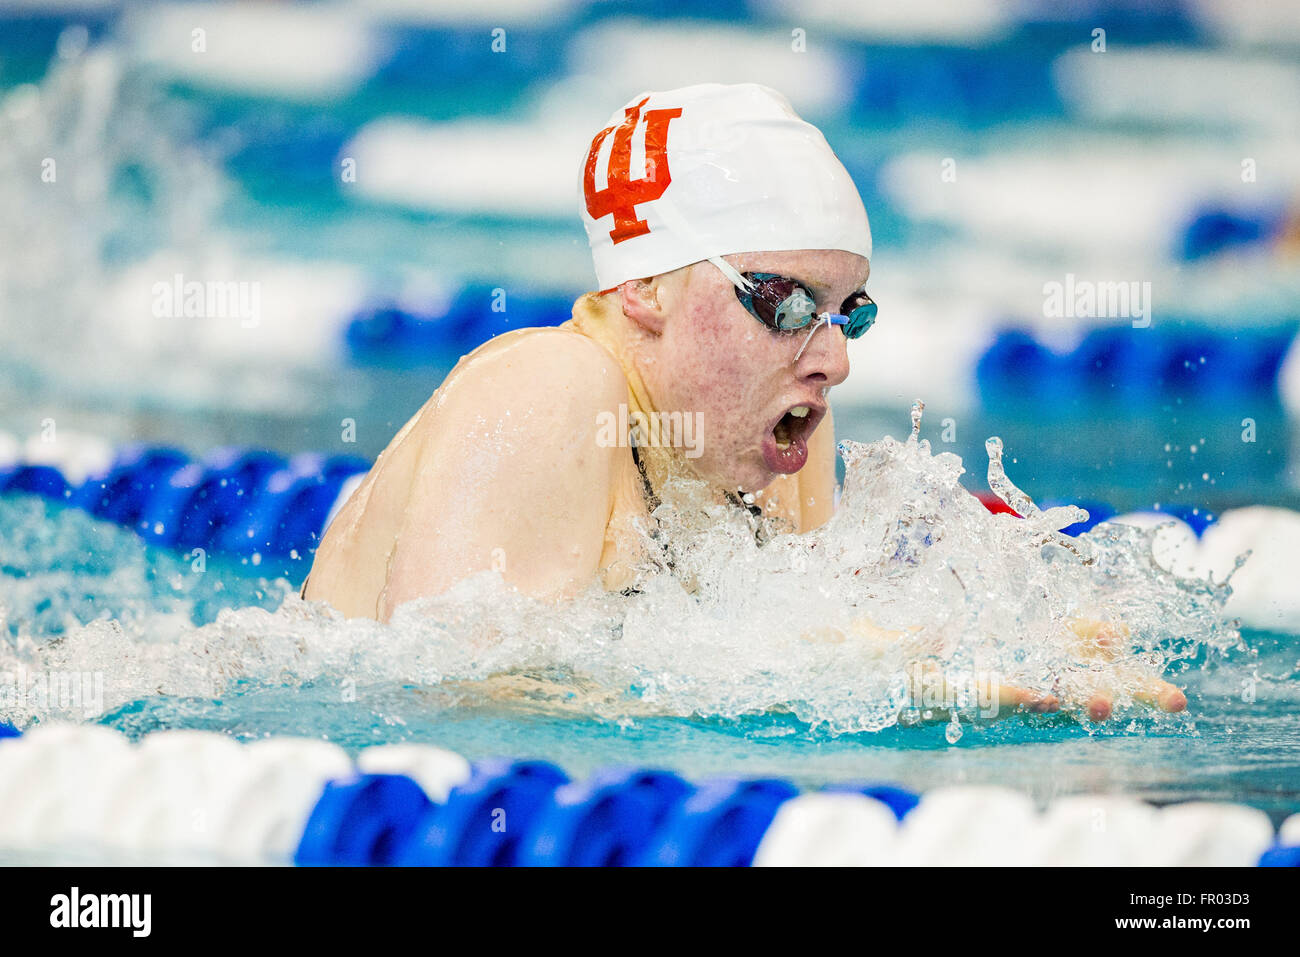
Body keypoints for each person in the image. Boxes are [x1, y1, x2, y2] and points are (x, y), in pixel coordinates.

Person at [303, 82, 1185, 722]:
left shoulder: (775, 440)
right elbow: (445, 699)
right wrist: (899, 670)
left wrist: (969, 642)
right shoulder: (548, 389)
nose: (832, 359)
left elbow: (774, 655)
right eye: (786, 304)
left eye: (848, 312)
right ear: (646, 287)